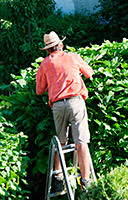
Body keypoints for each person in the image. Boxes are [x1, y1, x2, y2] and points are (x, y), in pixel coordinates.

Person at [36, 31, 94, 193]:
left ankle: (59, 179)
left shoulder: (45, 64)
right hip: (76, 101)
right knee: (81, 142)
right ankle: (86, 182)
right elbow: (89, 73)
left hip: (58, 106)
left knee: (60, 143)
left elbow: (39, 90)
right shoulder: (72, 57)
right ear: (61, 44)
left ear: (47, 49)